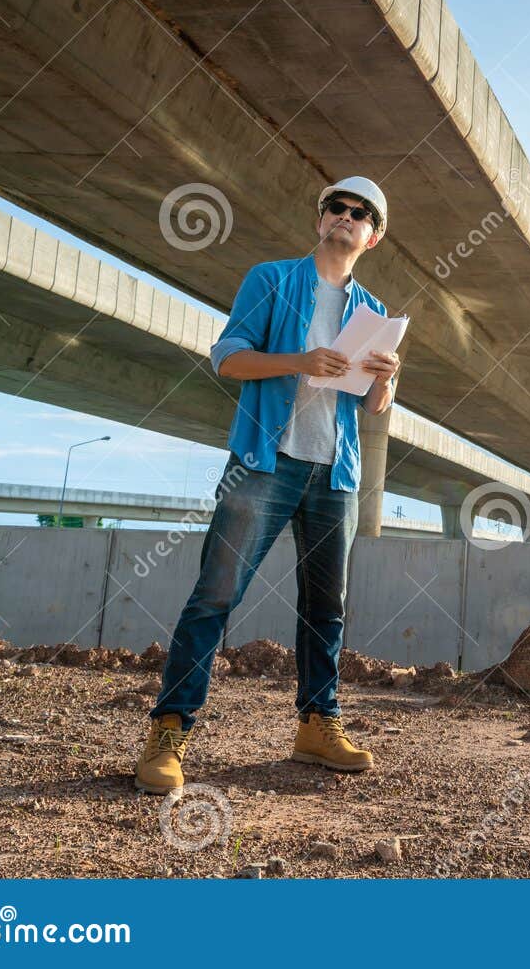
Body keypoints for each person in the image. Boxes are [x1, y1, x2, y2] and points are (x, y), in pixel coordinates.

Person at [134, 177, 401, 794]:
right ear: (320, 220)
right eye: (337, 207)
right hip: (264, 463)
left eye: (361, 213)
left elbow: (373, 405)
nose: (347, 216)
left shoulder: (374, 312)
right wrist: (299, 362)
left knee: (326, 606)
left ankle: (316, 725)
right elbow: (227, 357)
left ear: (373, 236)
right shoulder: (272, 280)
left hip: (335, 473)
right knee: (215, 594)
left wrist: (387, 379)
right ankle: (169, 729)